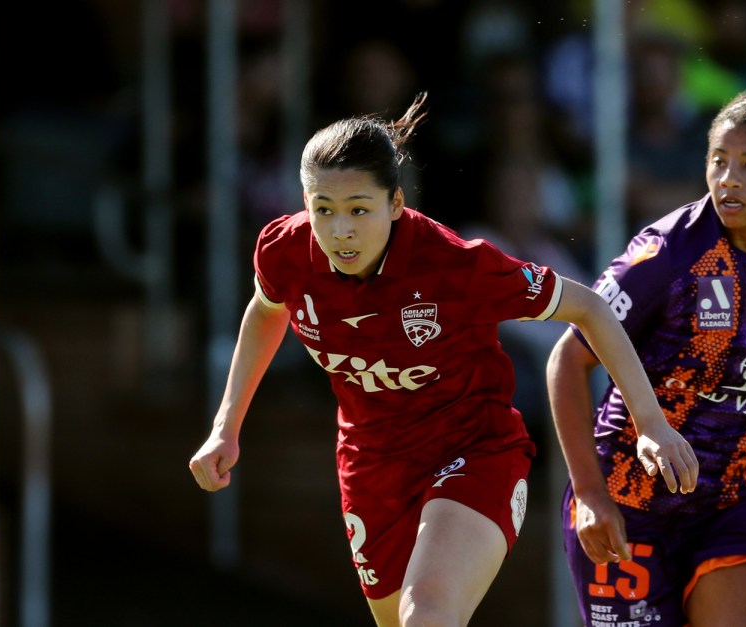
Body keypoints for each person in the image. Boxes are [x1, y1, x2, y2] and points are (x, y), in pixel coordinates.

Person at [188, 92, 696, 627]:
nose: (340, 231)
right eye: (323, 210)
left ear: (396, 203)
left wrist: (651, 423)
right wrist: (226, 428)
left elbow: (590, 307)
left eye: (359, 209)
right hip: (372, 465)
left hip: (475, 452)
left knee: (426, 613)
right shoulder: (285, 250)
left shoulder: (455, 267)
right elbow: (269, 310)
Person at [547, 40, 746, 627]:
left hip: (739, 500)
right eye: (718, 161)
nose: (729, 179)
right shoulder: (669, 252)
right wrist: (592, 495)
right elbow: (567, 361)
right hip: (629, 498)